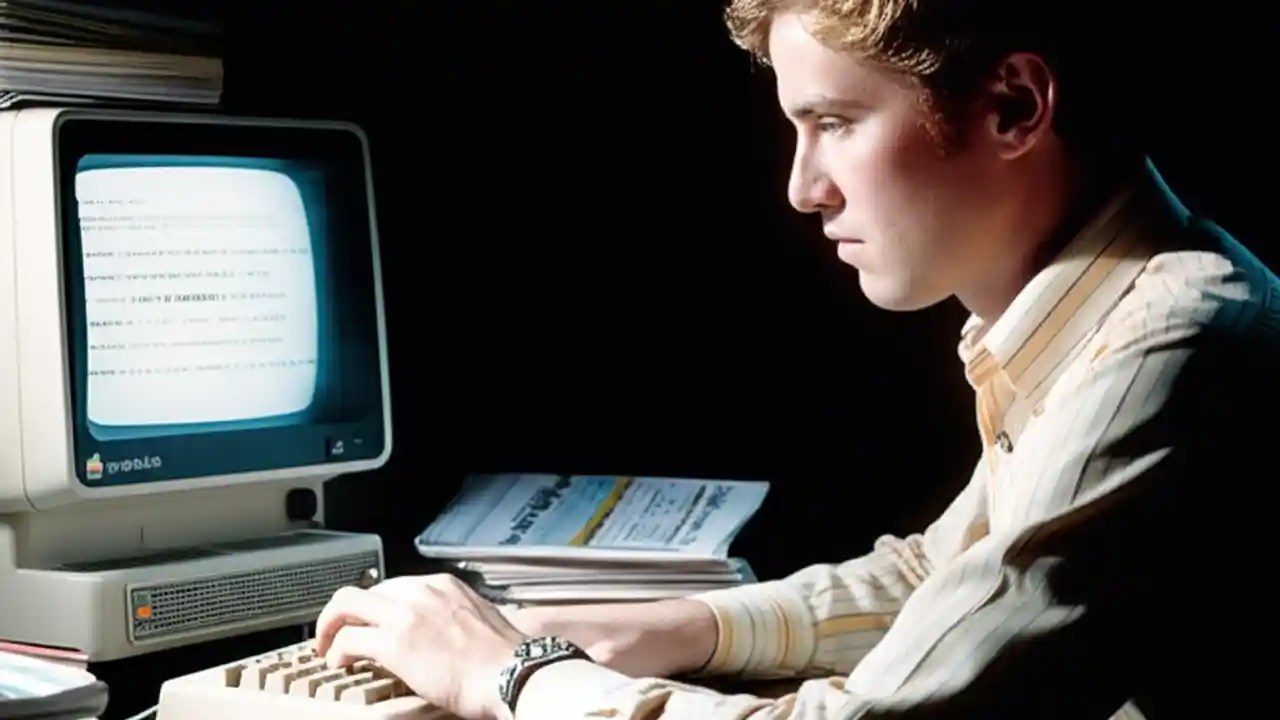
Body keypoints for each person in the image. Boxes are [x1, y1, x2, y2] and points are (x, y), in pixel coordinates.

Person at [313, 1, 1280, 718]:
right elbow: (940, 577)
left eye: (835, 123)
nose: (802, 188)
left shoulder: (1177, 340)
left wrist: (504, 676)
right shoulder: (1105, 309)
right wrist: (682, 628)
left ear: (1014, 107)